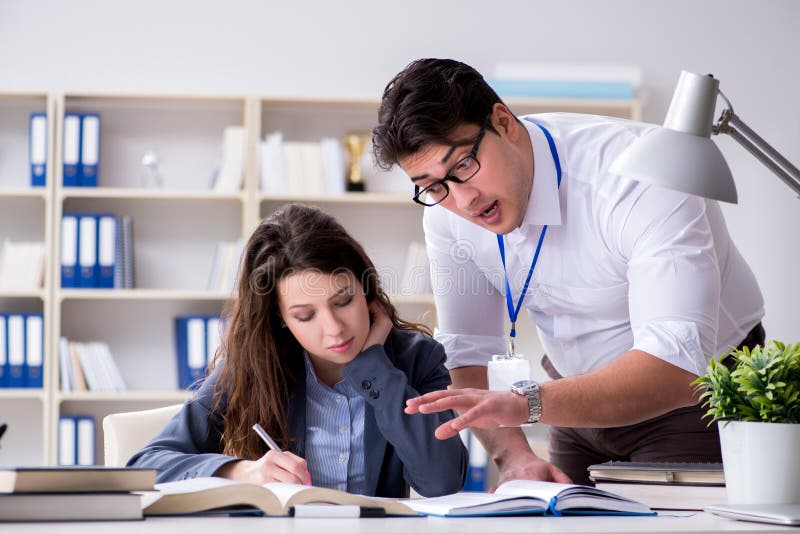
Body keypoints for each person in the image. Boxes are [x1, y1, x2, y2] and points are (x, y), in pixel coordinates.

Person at [372, 58, 765, 485]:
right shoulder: (447, 212)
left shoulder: (638, 178)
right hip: (571, 399)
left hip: (692, 398)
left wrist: (528, 403)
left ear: (503, 122)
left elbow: (677, 361)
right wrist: (514, 456)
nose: (463, 200)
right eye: (432, 186)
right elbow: (467, 352)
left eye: (463, 165)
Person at [128, 203, 467, 498]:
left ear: (366, 288)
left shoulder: (418, 359)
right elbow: (147, 464)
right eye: (305, 316)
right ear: (281, 319)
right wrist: (242, 473)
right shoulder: (256, 365)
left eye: (344, 301)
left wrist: (375, 368)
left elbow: (442, 481)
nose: (334, 329)